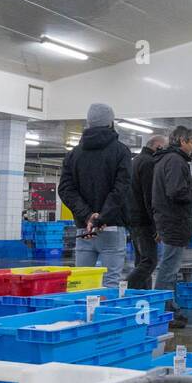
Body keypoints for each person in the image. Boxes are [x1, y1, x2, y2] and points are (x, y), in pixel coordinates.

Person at [58, 102, 131, 284]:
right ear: (110, 123)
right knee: (111, 282)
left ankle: (84, 313)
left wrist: (88, 216)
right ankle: (106, 313)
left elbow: (66, 189)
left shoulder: (73, 154)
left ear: (88, 123)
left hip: (85, 229)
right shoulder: (121, 151)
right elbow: (121, 189)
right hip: (111, 227)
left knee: (82, 282)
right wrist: (101, 217)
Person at [152, 125, 192, 329]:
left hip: (170, 220)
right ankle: (162, 310)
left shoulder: (167, 160)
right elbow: (176, 191)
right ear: (182, 141)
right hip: (174, 221)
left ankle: (168, 307)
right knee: (168, 269)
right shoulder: (175, 161)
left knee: (169, 268)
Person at [125, 134, 166, 290]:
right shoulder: (149, 163)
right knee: (149, 261)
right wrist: (157, 226)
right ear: (158, 147)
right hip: (144, 221)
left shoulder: (134, 162)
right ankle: (124, 287)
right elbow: (150, 197)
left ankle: (143, 296)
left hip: (133, 218)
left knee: (140, 261)